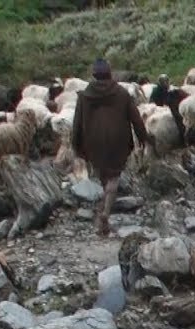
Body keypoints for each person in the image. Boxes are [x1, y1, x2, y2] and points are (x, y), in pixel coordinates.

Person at [71, 58, 151, 236]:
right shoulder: (122, 93)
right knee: (114, 176)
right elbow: (136, 118)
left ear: (94, 75)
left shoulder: (84, 96)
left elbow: (76, 123)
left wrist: (76, 146)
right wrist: (143, 137)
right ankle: (106, 212)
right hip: (118, 140)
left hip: (93, 141)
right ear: (110, 73)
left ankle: (104, 211)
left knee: (103, 174)